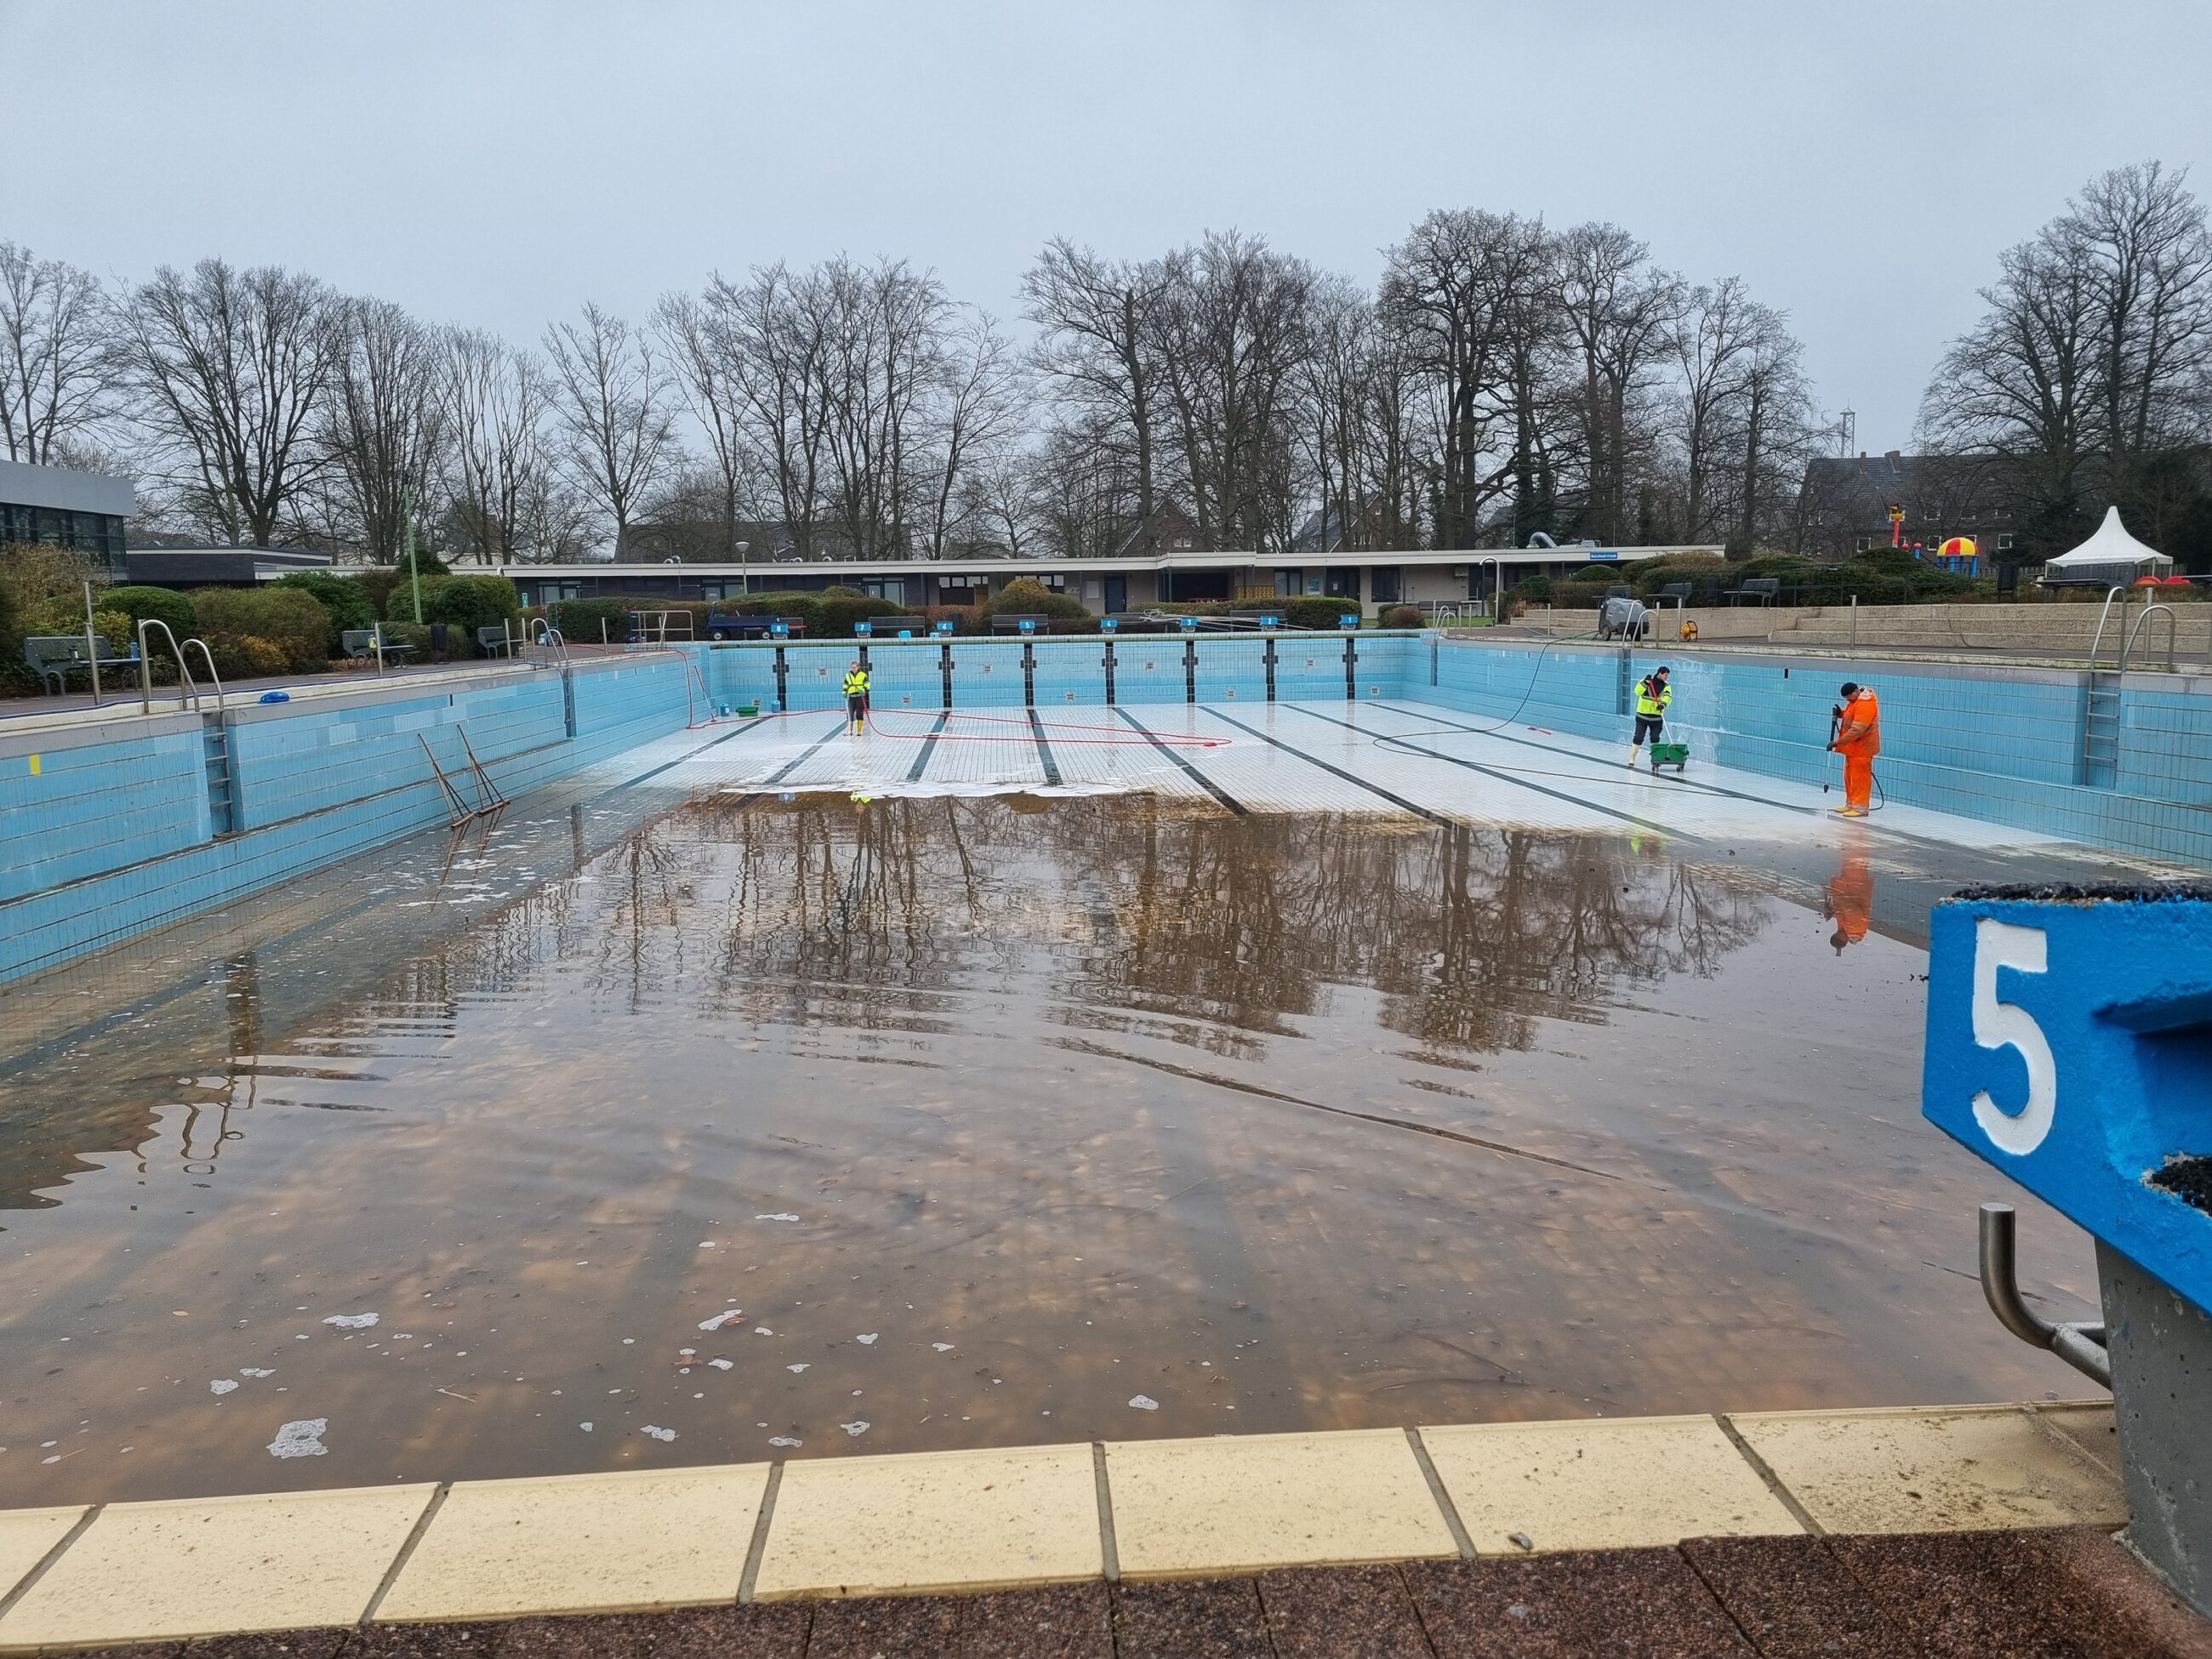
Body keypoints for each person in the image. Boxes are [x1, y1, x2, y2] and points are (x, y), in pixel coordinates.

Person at [1829, 681, 1880, 815]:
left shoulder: (1866, 704)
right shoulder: (1855, 701)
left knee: (1860, 779)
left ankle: (1860, 808)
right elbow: (1851, 714)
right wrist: (1841, 713)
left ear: (1856, 692)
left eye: (1848, 698)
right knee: (1850, 777)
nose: (1848, 700)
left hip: (1862, 749)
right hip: (1853, 748)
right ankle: (1851, 803)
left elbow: (1857, 730)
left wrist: (1837, 742)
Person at [1629, 664, 1672, 767]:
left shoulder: (1667, 686)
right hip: (1642, 716)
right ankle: (1632, 759)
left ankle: (1655, 760)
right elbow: (1637, 691)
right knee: (1638, 737)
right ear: (1660, 673)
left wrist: (1663, 705)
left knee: (1655, 738)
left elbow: (1667, 697)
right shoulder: (1647, 682)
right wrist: (1645, 682)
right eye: (1665, 675)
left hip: (1656, 717)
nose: (1667, 677)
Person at [842, 659, 870, 735]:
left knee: (859, 714)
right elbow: (845, 685)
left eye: (854, 667)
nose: (853, 669)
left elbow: (867, 684)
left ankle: (859, 732)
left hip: (860, 697)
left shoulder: (863, 675)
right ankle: (850, 731)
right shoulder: (848, 675)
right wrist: (844, 692)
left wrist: (864, 690)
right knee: (849, 713)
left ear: (858, 667)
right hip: (851, 697)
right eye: (852, 667)